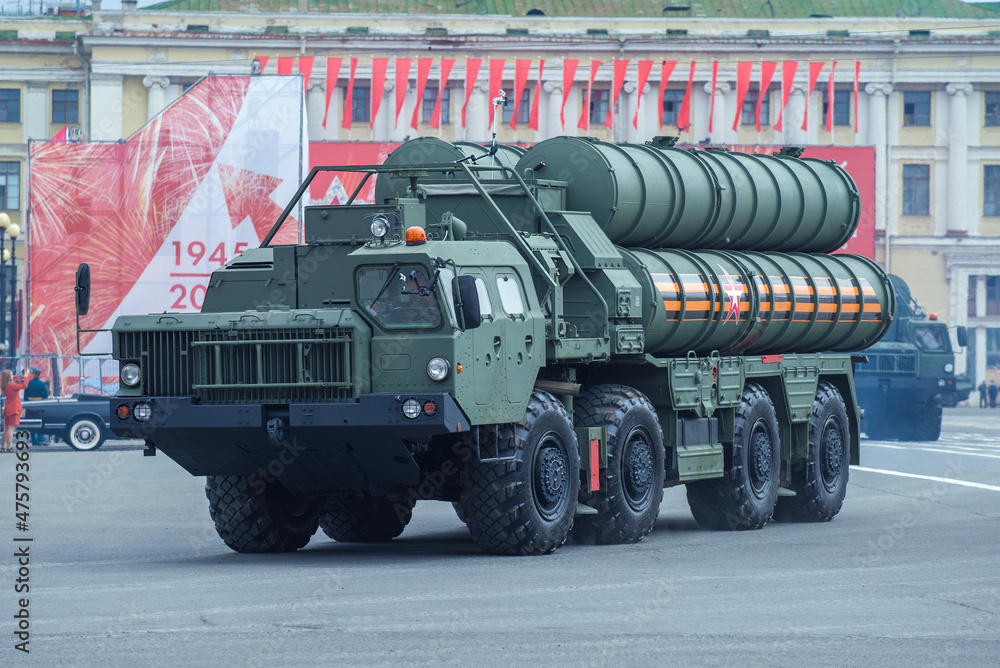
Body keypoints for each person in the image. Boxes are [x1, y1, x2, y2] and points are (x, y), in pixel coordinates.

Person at [1, 369, 28, 453]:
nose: (13, 376)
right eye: (12, 375)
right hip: (13, 409)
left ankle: (3, 447)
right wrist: (26, 376)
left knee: (6, 428)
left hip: (8, 408)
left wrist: (20, 380)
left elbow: (18, 386)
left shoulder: (5, 385)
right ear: (8, 377)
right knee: (11, 428)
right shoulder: (11, 385)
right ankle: (9, 447)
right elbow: (24, 386)